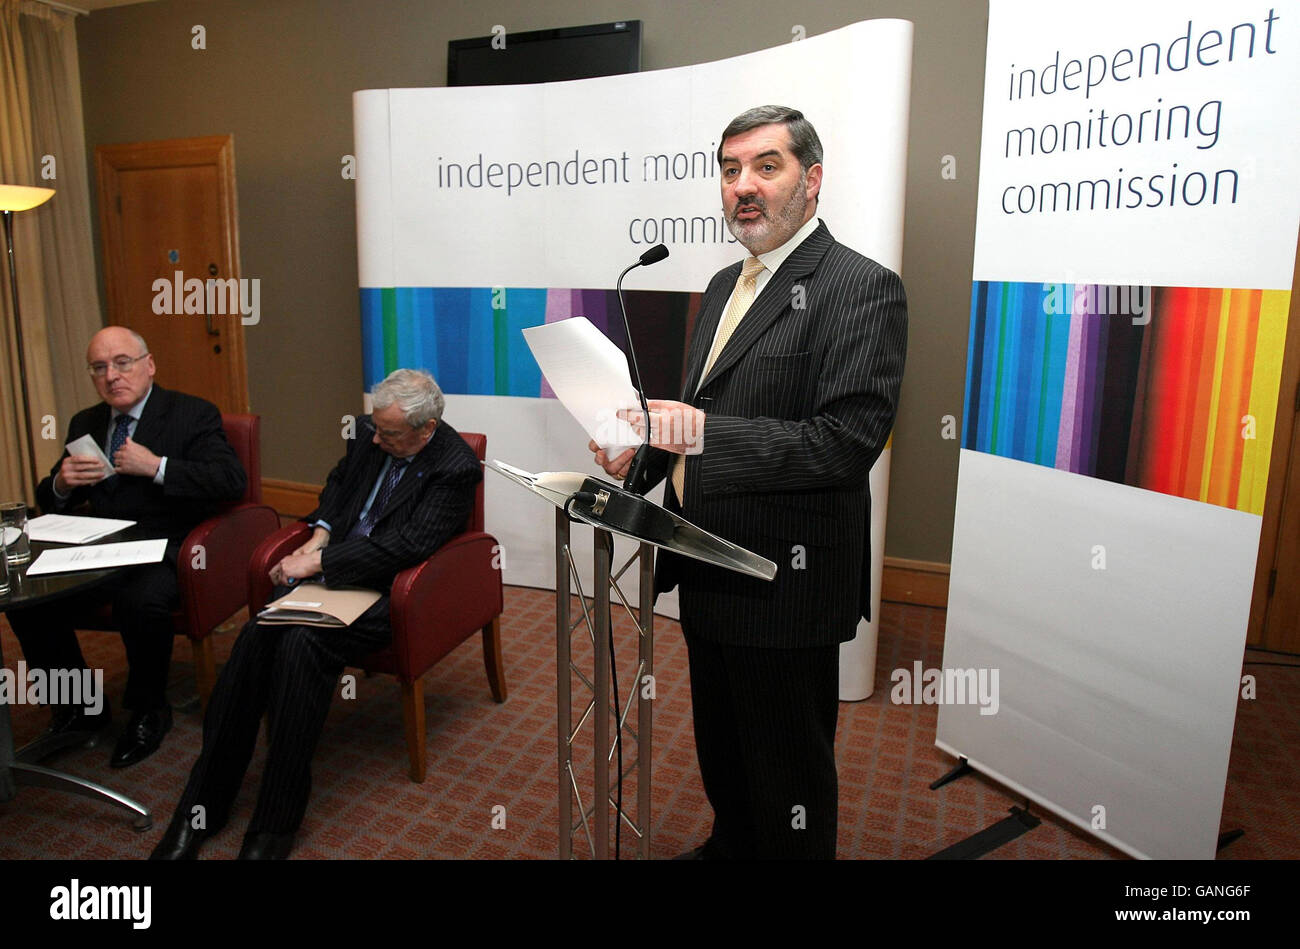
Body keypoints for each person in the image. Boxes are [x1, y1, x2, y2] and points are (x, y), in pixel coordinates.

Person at [591, 105, 907, 859]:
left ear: (813, 179)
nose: (744, 187)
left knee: (789, 771)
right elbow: (703, 414)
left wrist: (695, 433)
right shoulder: (725, 281)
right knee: (724, 750)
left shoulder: (862, 287)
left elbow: (844, 444)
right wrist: (641, 452)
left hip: (784, 581)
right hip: (706, 563)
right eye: (731, 170)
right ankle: (730, 843)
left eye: (767, 166)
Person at [151, 368, 481, 860]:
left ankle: (273, 826)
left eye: (389, 434)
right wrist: (321, 532)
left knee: (303, 644)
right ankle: (199, 808)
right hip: (330, 576)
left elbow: (410, 545)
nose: (377, 438)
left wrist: (321, 561)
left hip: (390, 591)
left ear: (426, 428)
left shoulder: (455, 466)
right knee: (258, 633)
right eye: (375, 427)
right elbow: (339, 484)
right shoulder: (370, 432)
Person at [8, 326, 246, 768]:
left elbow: (231, 482)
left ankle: (148, 709)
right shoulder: (86, 422)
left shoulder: (191, 414)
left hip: (165, 546)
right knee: (26, 601)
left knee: (141, 600)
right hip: (97, 548)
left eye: (122, 363)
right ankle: (79, 706)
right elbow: (54, 496)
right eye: (99, 368)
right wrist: (61, 483)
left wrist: (157, 467)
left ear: (148, 365)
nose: (112, 376)